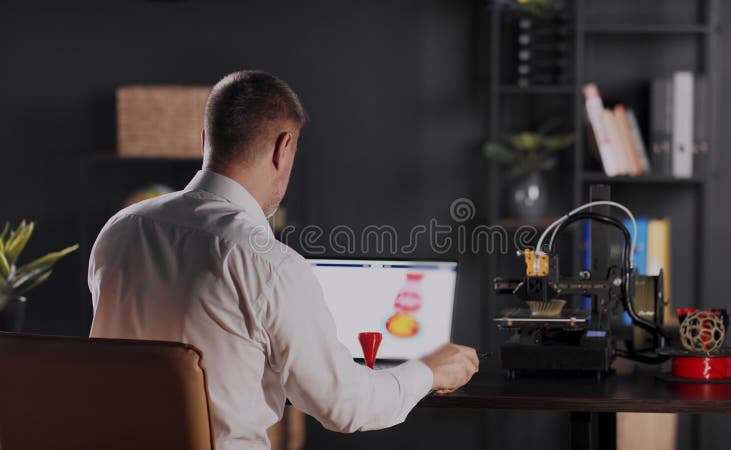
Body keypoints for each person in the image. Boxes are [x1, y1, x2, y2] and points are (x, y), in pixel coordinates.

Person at [88, 70, 479, 450]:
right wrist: (429, 370)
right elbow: (346, 406)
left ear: (205, 140)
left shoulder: (120, 230)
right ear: (283, 147)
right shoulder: (268, 264)